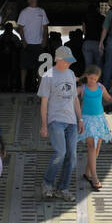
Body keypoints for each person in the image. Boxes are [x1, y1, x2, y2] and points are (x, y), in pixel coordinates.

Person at [38, 45, 84, 201]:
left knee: (72, 156)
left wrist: (80, 119)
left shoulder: (71, 74)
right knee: (60, 153)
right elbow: (44, 103)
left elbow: (75, 99)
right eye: (67, 61)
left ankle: (62, 188)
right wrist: (44, 125)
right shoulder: (48, 76)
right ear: (58, 59)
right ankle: (47, 183)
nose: (69, 63)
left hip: (71, 121)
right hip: (56, 120)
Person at [78, 67, 112, 190]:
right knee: (91, 146)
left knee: (97, 148)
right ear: (87, 76)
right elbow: (70, 96)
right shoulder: (82, 88)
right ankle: (94, 178)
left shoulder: (100, 87)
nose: (93, 80)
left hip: (99, 119)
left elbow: (108, 98)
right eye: (91, 78)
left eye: (95, 79)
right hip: (87, 120)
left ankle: (87, 173)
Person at [17, 0, 49, 90]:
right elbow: (20, 28)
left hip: (39, 44)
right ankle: (22, 86)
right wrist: (23, 41)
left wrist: (44, 40)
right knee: (24, 66)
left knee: (40, 67)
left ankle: (40, 87)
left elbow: (45, 27)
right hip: (27, 43)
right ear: (28, 1)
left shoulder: (41, 11)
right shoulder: (24, 12)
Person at [0, 21, 22, 89]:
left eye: (9, 28)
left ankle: (11, 84)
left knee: (12, 71)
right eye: (7, 28)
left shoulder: (15, 37)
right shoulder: (1, 37)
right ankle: (3, 85)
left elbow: (19, 47)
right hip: (3, 58)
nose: (8, 29)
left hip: (12, 58)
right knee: (3, 72)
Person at [82, 4, 103, 70]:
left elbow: (84, 32)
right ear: (97, 9)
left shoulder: (85, 17)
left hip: (87, 43)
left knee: (88, 65)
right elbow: (104, 31)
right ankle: (98, 80)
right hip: (98, 43)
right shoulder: (102, 18)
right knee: (98, 66)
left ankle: (88, 80)